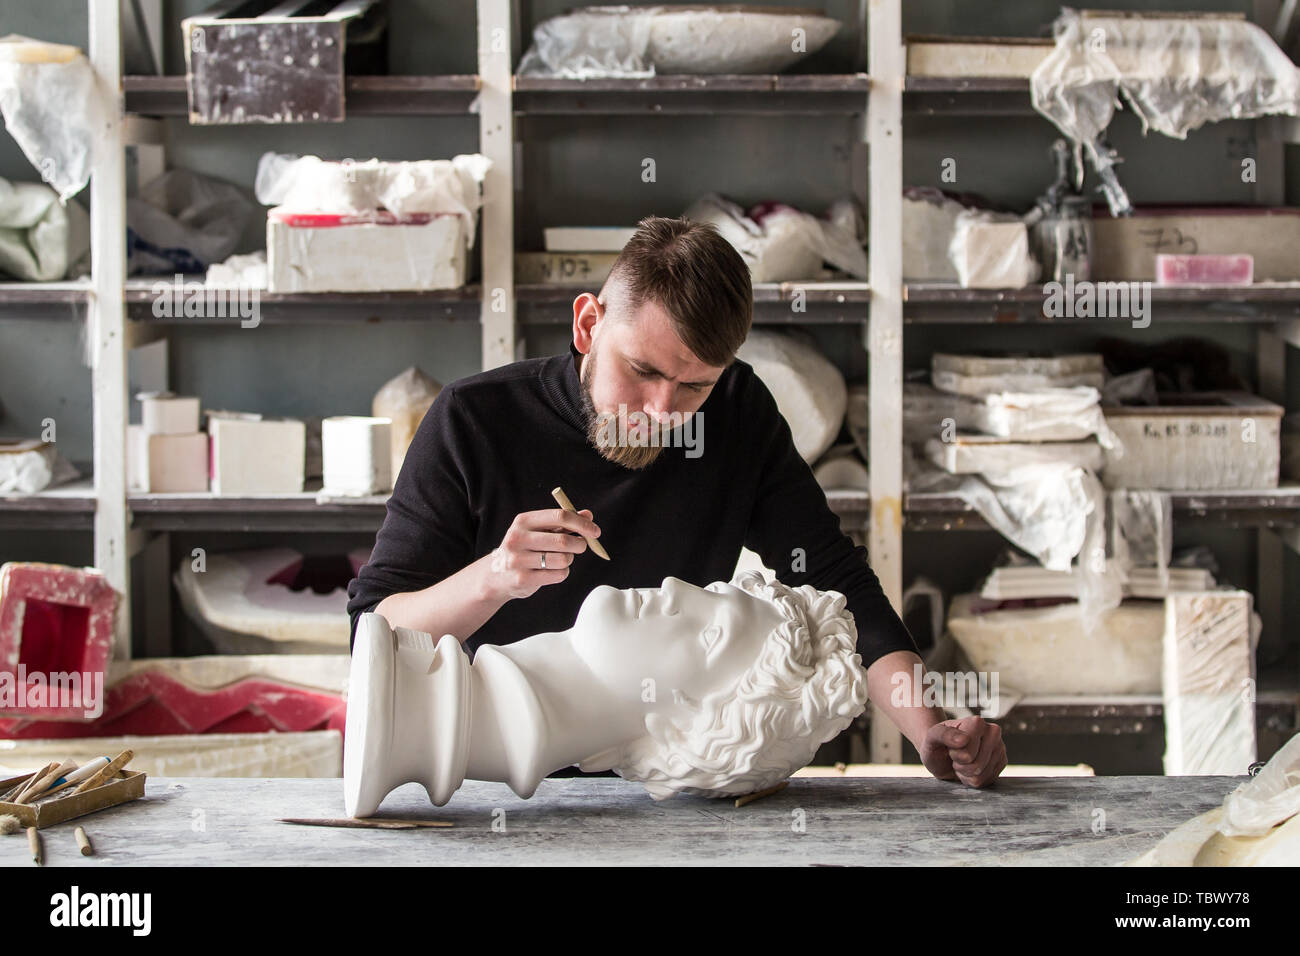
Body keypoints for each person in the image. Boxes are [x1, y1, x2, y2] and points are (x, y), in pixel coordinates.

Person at [346, 215, 1006, 788]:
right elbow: (374, 633)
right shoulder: (474, 420)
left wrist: (929, 728)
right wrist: (492, 579)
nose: (661, 413)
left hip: (667, 779)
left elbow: (836, 579)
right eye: (642, 371)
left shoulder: (737, 412)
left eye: (694, 387)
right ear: (587, 324)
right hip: (495, 779)